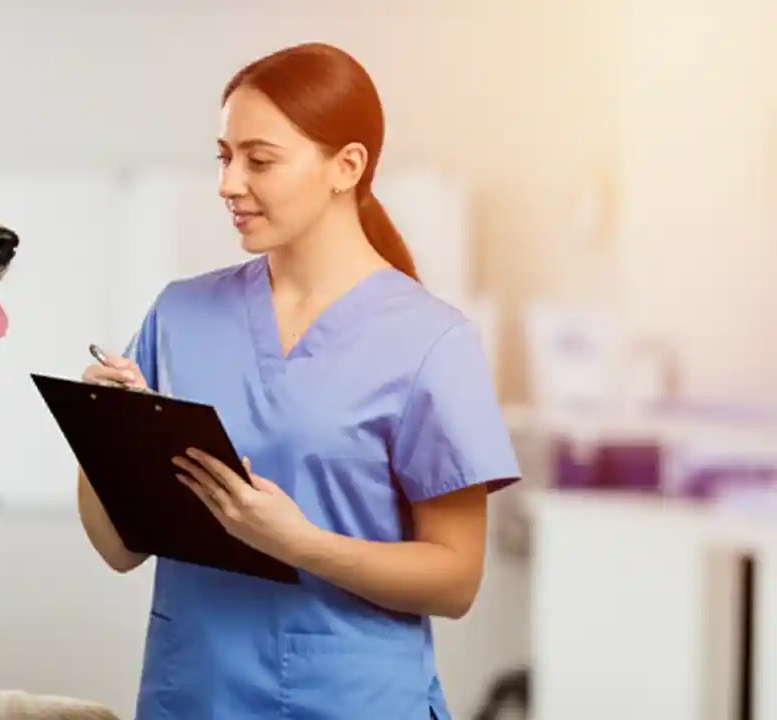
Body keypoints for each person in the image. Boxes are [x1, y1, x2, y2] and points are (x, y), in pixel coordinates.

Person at [76, 41, 521, 720]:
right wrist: (100, 431)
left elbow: (456, 579)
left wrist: (300, 544)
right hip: (194, 694)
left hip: (352, 701)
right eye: (225, 157)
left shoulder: (431, 340)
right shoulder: (181, 314)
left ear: (346, 166)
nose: (228, 183)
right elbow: (119, 550)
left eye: (260, 160)